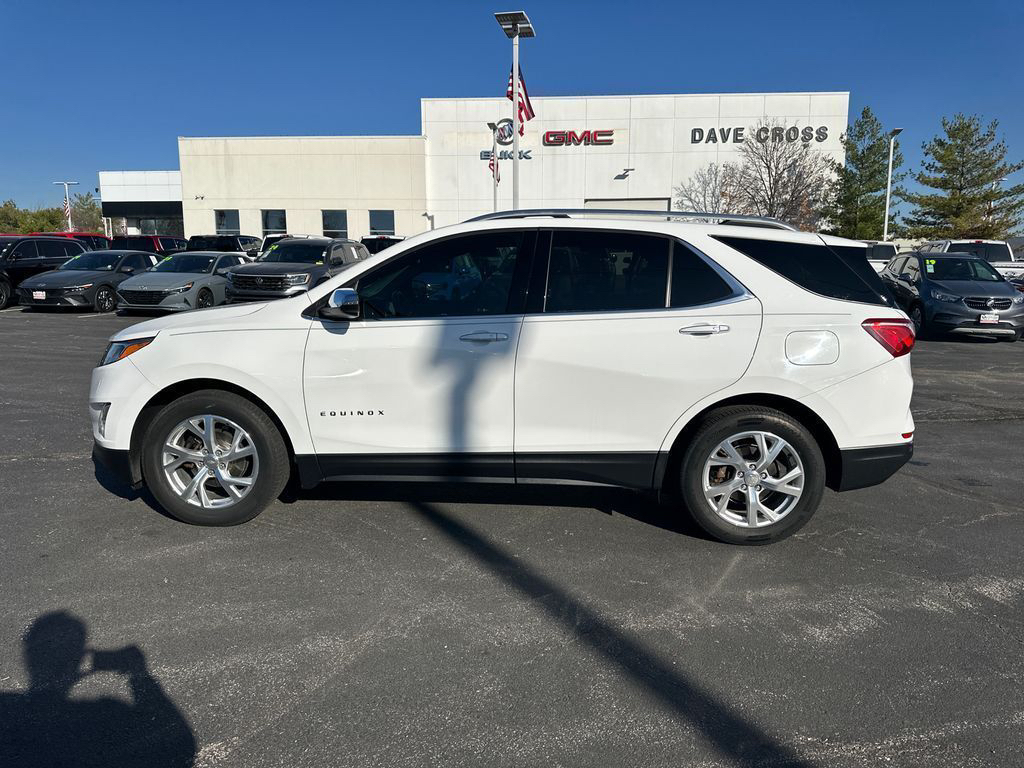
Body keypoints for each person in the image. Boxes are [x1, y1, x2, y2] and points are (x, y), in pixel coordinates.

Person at [0, 611, 196, 767]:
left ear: (30, 659)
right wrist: (139, 675)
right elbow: (180, 749)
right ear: (78, 660)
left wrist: (56, 681)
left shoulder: (6, 709)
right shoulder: (102, 717)